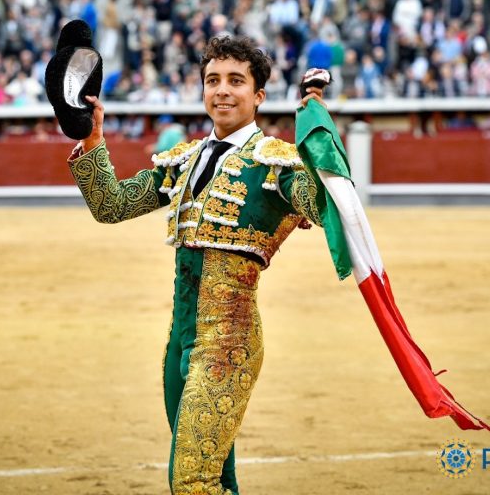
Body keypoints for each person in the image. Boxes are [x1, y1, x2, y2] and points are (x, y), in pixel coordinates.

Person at [66, 35, 326, 494]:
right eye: (213, 80)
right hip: (179, 344)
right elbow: (111, 204)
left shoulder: (277, 163)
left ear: (258, 95)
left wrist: (317, 138)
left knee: (192, 481)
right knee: (216, 476)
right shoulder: (184, 161)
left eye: (236, 81)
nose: (222, 90)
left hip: (229, 345)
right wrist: (93, 137)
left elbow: (322, 205)